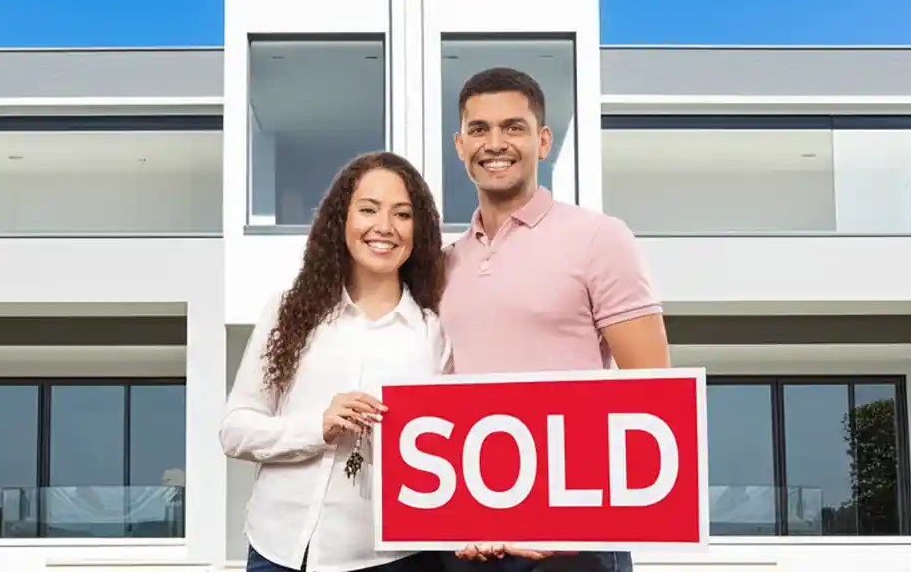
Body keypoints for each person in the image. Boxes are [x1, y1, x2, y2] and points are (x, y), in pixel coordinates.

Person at [440, 67, 671, 572]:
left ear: (543, 142)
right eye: (479, 129)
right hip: (472, 534)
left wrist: (577, 516)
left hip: (572, 540)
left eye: (513, 127)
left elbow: (652, 394)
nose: (494, 143)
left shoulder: (599, 238)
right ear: (460, 146)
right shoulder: (444, 262)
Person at [221, 151, 451, 572]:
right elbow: (235, 430)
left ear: (418, 229)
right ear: (340, 220)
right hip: (278, 548)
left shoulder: (435, 332)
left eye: (402, 214)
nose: (384, 227)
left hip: (390, 559)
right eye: (368, 209)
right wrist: (318, 427)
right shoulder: (287, 313)